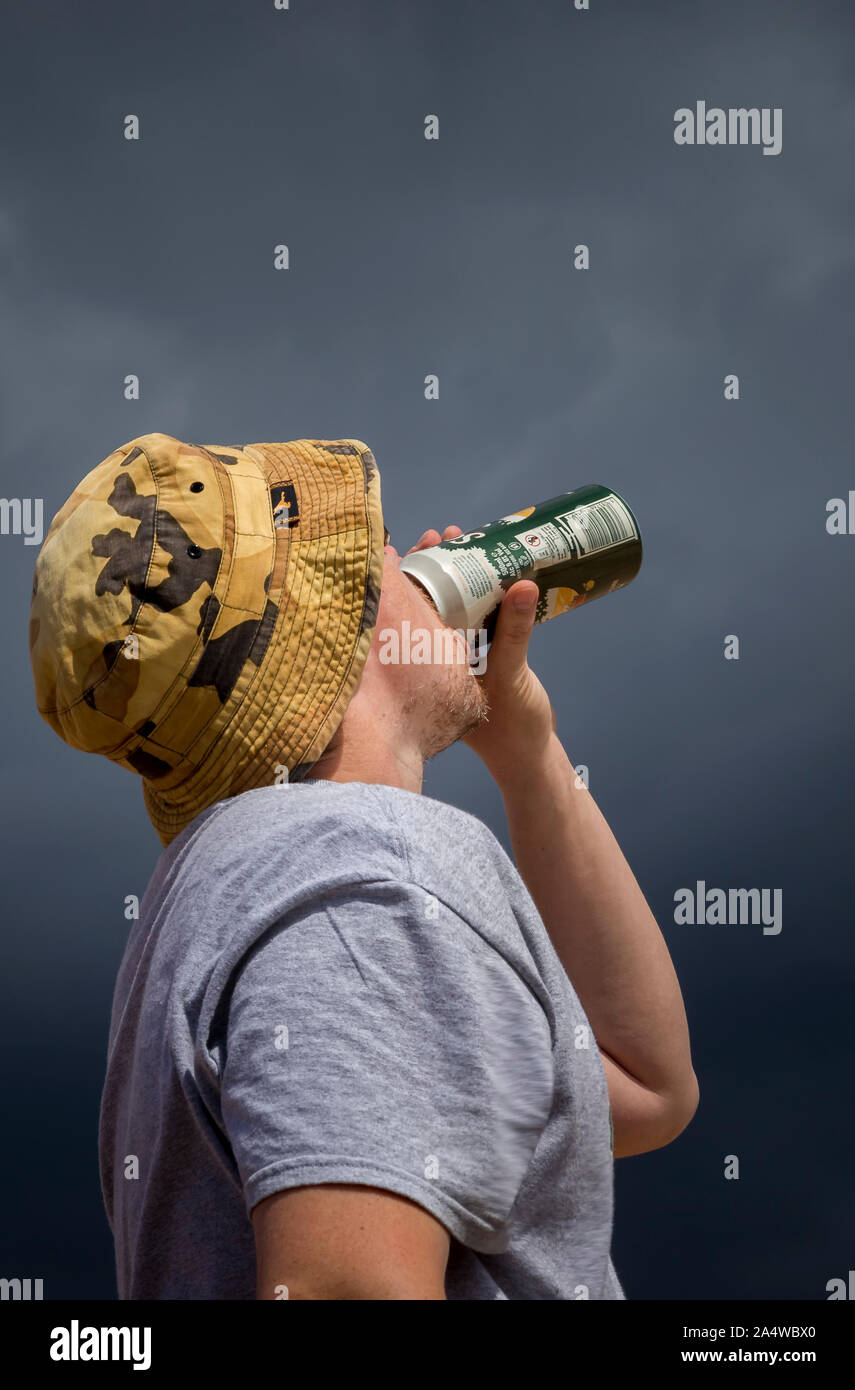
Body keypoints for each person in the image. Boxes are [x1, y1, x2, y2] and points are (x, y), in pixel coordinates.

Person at [29, 432, 698, 1300]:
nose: (399, 549)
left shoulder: (227, 889)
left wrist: (527, 751)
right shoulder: (364, 881)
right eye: (368, 552)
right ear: (334, 616)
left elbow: (646, 1088)